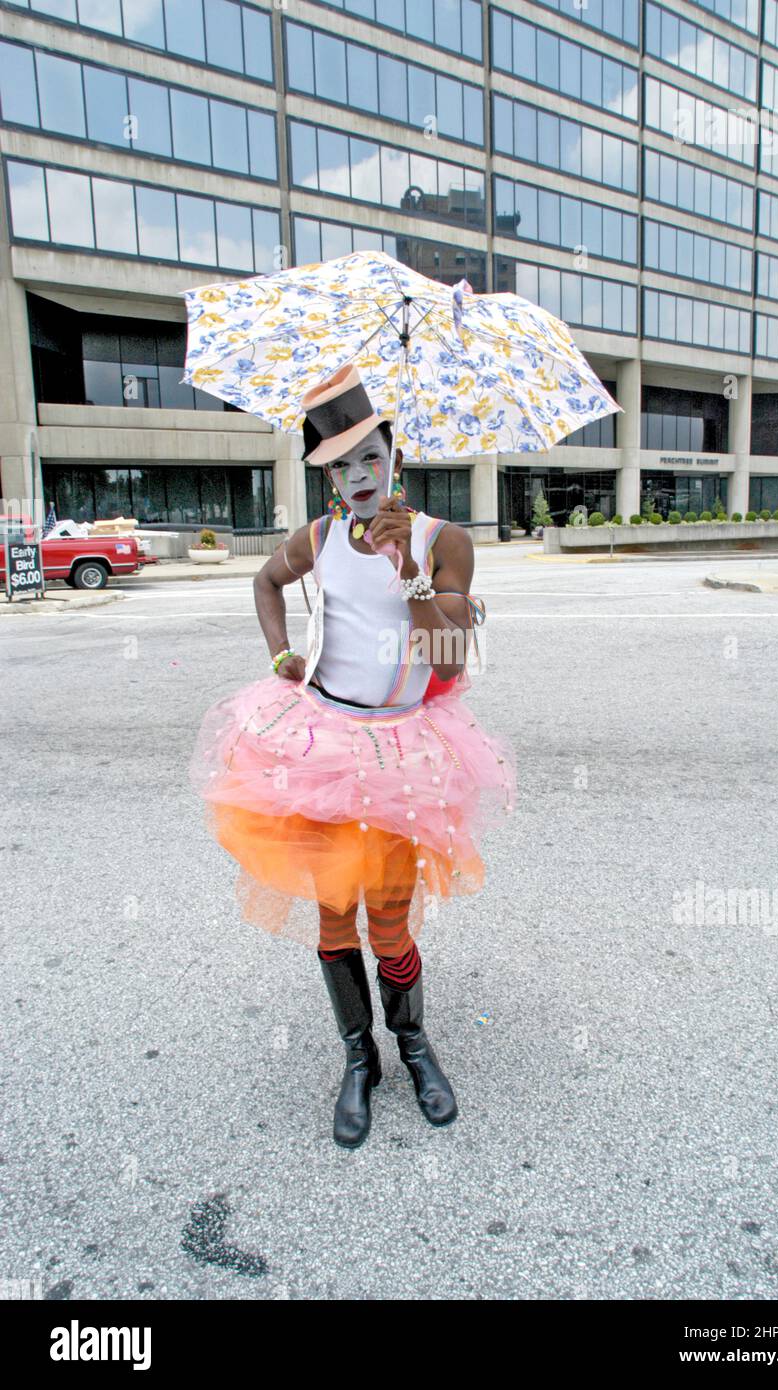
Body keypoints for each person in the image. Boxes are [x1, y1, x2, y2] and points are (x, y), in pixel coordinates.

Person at [189, 363, 516, 1149]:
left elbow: (447, 659)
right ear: (327, 474)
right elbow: (266, 583)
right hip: (320, 746)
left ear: (394, 457)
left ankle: (413, 1044)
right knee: (335, 920)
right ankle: (357, 1058)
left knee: (392, 924)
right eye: (341, 464)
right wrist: (278, 658)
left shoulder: (446, 541)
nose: (359, 476)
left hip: (406, 748)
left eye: (370, 457)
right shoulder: (322, 537)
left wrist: (407, 571)